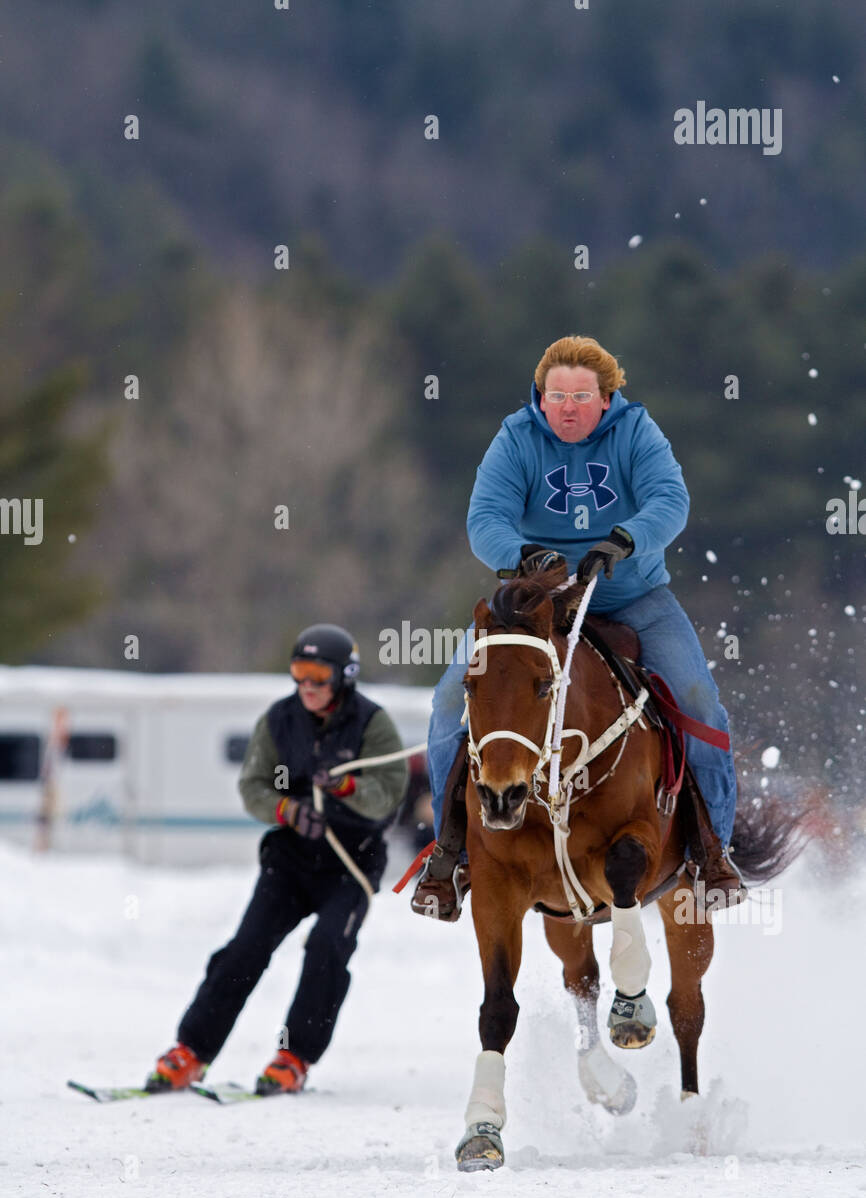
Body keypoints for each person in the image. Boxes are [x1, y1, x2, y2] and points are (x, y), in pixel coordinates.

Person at [411, 334, 744, 921]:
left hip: (632, 595)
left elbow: (671, 498)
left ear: (607, 397)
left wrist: (625, 539)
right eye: (557, 395)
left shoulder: (637, 432)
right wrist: (523, 553)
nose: (568, 406)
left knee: (700, 704)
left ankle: (712, 852)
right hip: (537, 605)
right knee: (445, 705)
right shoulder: (516, 437)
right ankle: (450, 855)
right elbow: (484, 517)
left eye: (582, 396)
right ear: (540, 397)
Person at [148, 624, 408, 1094]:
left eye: (317, 675)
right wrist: (286, 810)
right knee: (244, 950)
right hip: (290, 862)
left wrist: (348, 788)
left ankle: (294, 1056)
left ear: (344, 676)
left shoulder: (373, 724)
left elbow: (390, 794)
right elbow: (252, 787)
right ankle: (191, 1051)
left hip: (350, 864)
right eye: (298, 673)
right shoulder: (279, 720)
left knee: (327, 948)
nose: (306, 686)